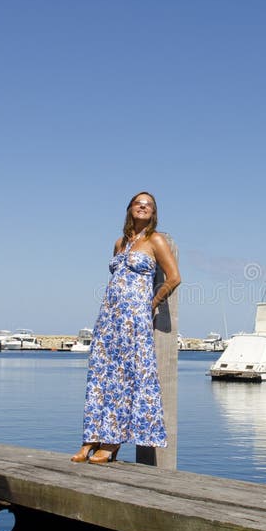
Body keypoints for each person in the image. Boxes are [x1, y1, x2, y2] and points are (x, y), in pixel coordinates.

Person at [71, 191, 181, 464]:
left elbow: (175, 277)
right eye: (138, 203)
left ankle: (112, 441)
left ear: (153, 213)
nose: (143, 207)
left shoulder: (156, 240)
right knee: (100, 376)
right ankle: (91, 438)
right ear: (130, 209)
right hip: (109, 317)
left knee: (124, 378)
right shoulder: (120, 242)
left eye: (149, 205)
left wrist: (152, 302)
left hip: (135, 318)